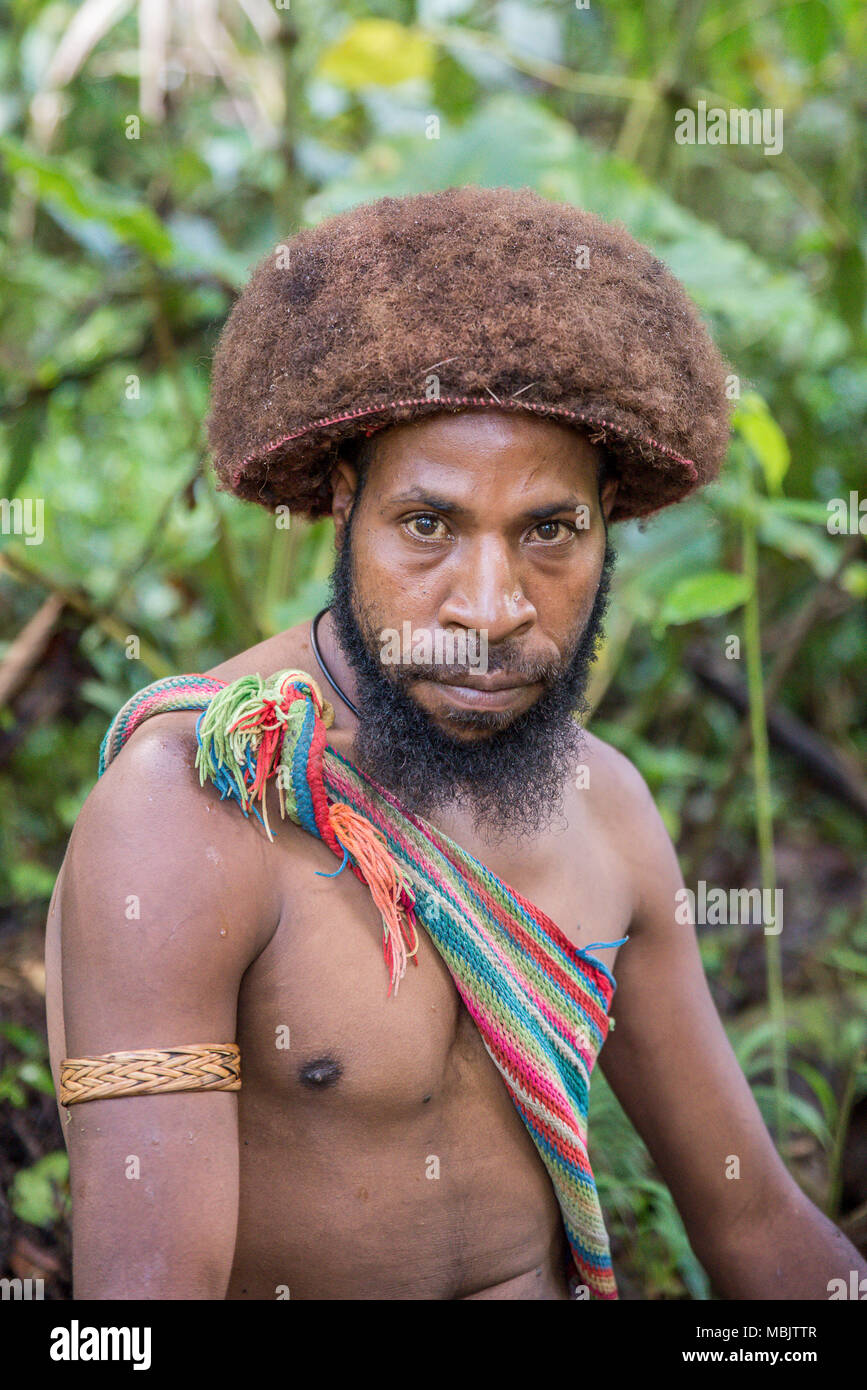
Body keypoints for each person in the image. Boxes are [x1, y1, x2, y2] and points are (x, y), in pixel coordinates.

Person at [45, 186, 866, 1300]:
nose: (490, 608)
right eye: (428, 526)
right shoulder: (194, 805)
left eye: (548, 532)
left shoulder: (607, 812)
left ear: (610, 521)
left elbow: (757, 1223)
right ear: (344, 500)